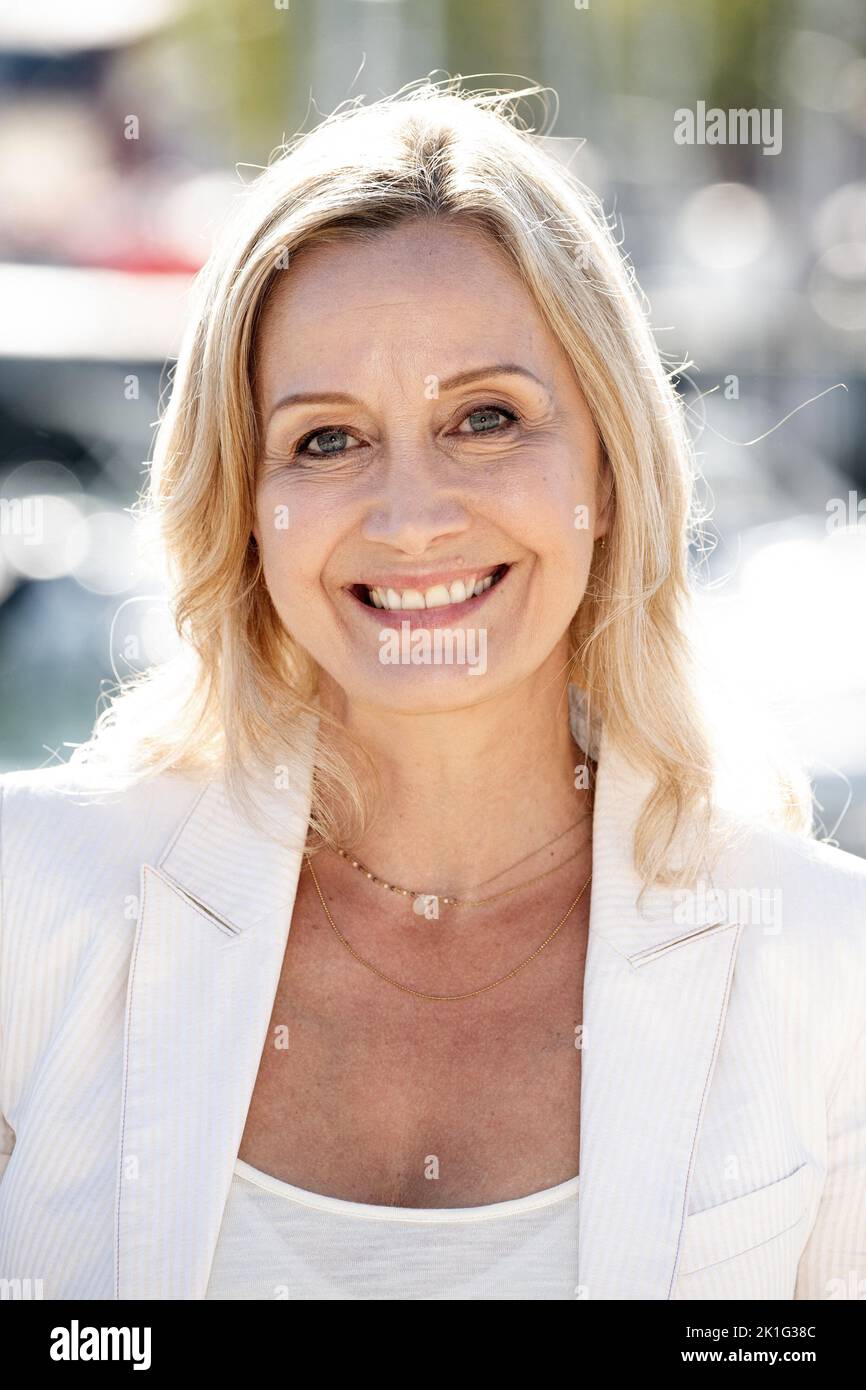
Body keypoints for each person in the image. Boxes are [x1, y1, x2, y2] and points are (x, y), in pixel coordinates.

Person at [0, 80, 863, 1302]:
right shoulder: (26, 905)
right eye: (326, 440)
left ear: (610, 470)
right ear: (244, 508)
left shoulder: (830, 966)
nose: (410, 520)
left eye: (486, 418)